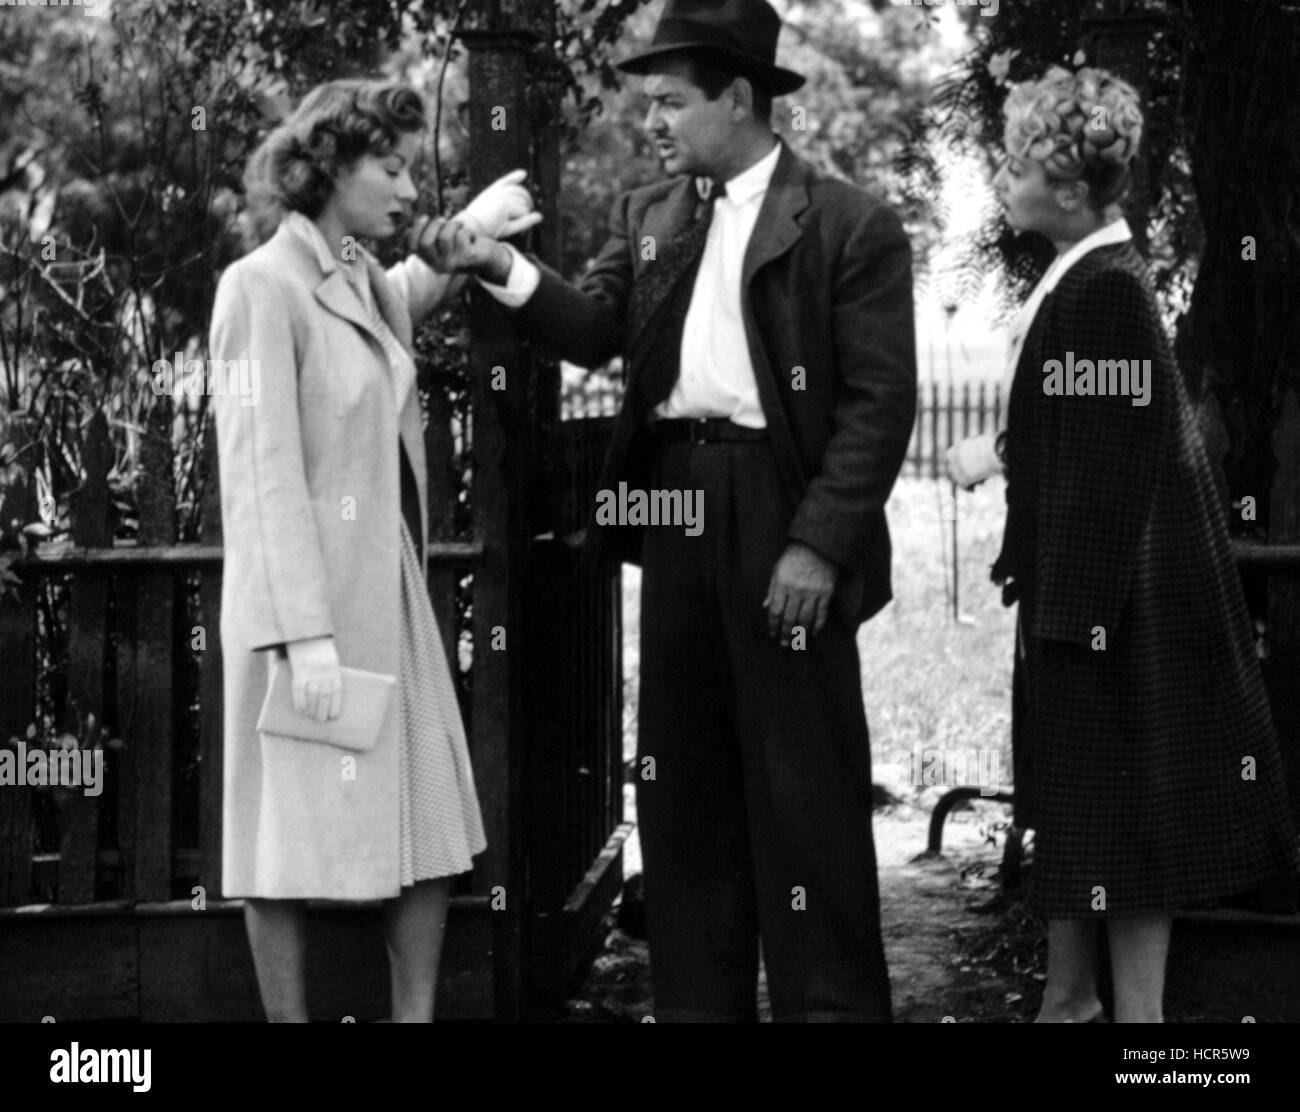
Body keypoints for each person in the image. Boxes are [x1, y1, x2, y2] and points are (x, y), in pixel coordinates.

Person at [421, 0, 916, 1022]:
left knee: (805, 794)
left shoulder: (847, 223)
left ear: (739, 100)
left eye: (670, 101)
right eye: (647, 100)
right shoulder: (654, 215)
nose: (651, 119)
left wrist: (818, 546)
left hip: (785, 508)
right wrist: (493, 264)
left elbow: (878, 403)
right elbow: (597, 327)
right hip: (678, 509)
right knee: (682, 793)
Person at [948, 64, 1300, 1022]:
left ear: (1066, 187)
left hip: (1109, 616)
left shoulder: (1104, 287)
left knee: (1123, 822)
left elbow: (1110, 474)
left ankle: (1128, 1027)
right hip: (1094, 607)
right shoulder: (1089, 277)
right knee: (1091, 820)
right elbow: (1089, 415)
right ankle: (1071, 1004)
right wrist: (1004, 451)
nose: (1003, 179)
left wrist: (1070, 624)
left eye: (1016, 163)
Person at [209, 79, 537, 1022]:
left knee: (429, 812)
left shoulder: (351, 273)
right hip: (304, 610)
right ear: (328, 168)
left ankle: (414, 1017)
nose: (406, 188)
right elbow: (260, 471)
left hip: (387, 588)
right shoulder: (259, 286)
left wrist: (475, 227)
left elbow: (396, 302)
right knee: (286, 832)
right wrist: (302, 634)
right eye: (389, 168)